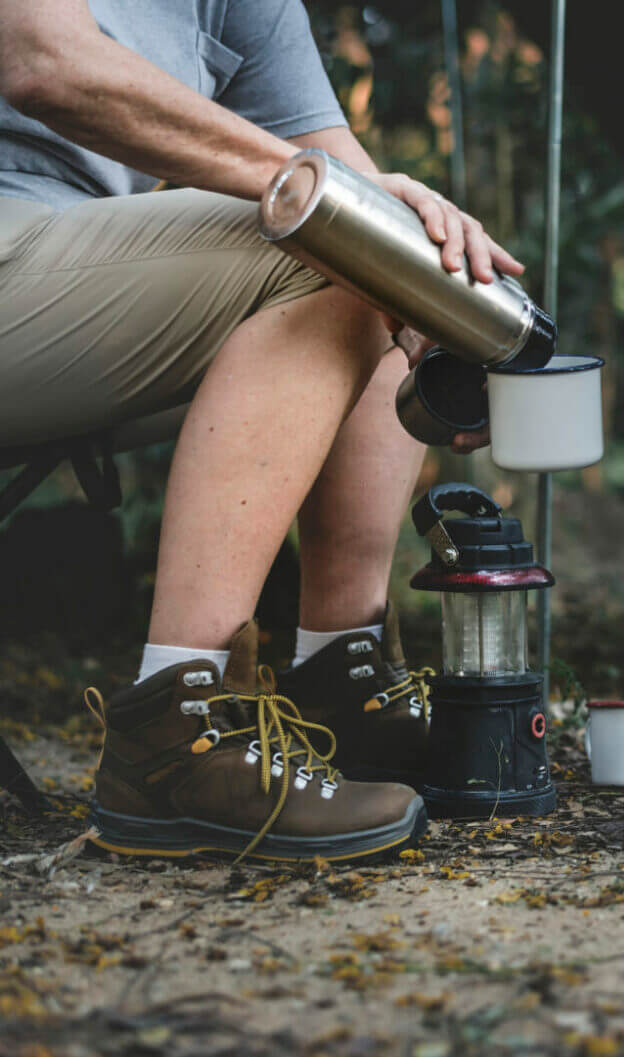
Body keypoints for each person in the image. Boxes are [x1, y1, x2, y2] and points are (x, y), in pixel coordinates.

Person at [0, 1, 509, 861]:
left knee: (394, 263)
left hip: (55, 281)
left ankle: (340, 688)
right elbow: (45, 63)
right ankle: (172, 733)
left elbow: (347, 181)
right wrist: (332, 203)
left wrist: (451, 318)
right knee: (332, 238)